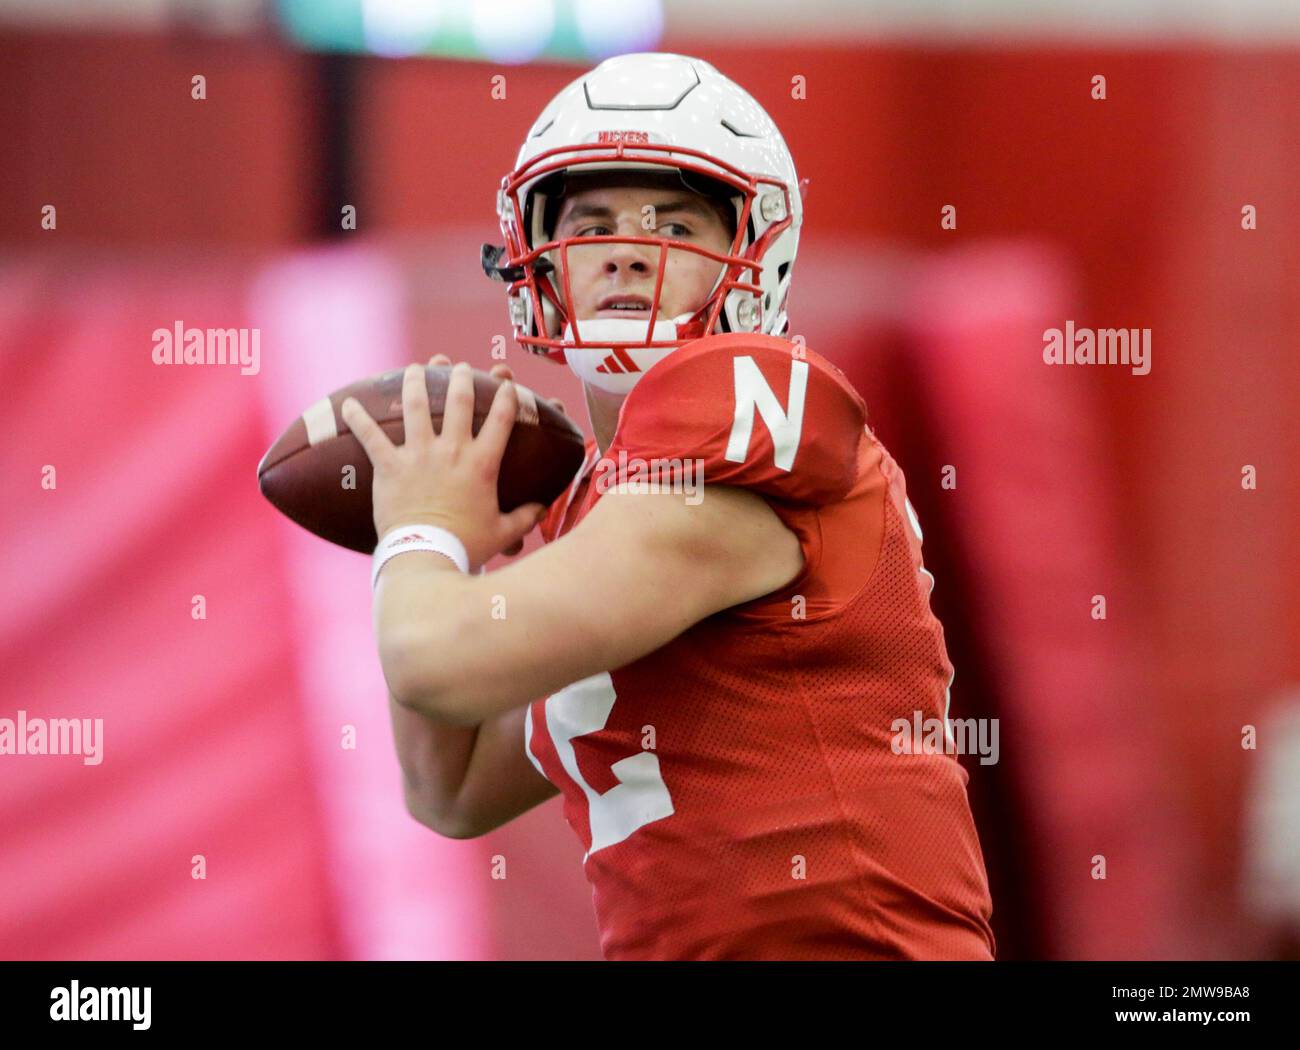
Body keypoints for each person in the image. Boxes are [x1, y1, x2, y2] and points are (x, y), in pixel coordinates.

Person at [342, 53, 995, 961]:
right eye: (591, 222)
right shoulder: (593, 516)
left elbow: (434, 657)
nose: (622, 248)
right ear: (537, 264)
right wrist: (456, 541)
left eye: (671, 223)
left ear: (753, 258)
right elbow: (448, 788)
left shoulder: (745, 403)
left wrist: (419, 530)